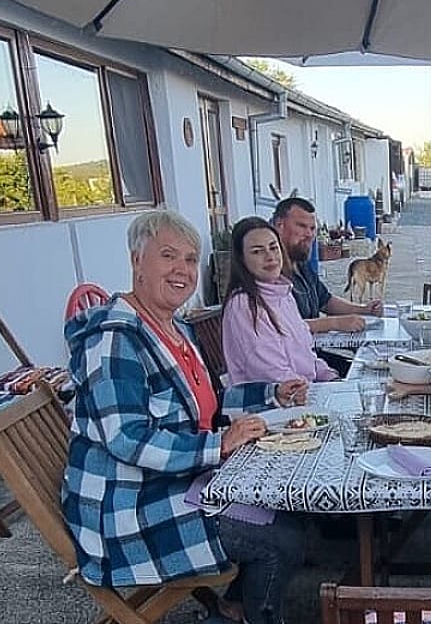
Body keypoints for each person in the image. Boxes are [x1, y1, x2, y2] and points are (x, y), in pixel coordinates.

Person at [63, 210, 310, 624]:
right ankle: (246, 614)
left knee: (287, 507)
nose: (182, 269)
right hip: (126, 507)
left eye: (191, 259)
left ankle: (234, 607)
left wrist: (271, 392)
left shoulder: (174, 329)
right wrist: (219, 444)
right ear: (137, 261)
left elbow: (211, 401)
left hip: (173, 481)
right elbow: (127, 438)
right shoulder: (115, 339)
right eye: (168, 256)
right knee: (278, 539)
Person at [223, 216, 340, 384]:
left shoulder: (284, 293)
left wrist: (331, 378)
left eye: (273, 248)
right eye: (257, 251)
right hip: (272, 404)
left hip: (305, 392)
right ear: (242, 259)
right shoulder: (244, 305)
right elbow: (271, 374)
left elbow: (306, 356)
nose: (269, 257)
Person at [272, 197, 382, 333]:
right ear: (279, 225)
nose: (309, 234)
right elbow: (283, 327)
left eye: (312, 228)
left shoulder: (301, 265)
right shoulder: (271, 271)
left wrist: (364, 310)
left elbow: (326, 301)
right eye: (301, 226)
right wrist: (333, 323)